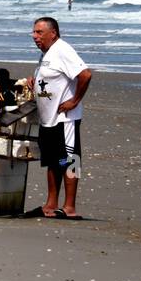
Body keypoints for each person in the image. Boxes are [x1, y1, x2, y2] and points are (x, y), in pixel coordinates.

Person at [24, 17, 92, 219]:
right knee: (52, 161)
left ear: (52, 33)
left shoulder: (63, 49)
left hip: (65, 118)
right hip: (48, 118)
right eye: (34, 32)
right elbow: (50, 79)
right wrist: (34, 83)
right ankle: (51, 204)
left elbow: (85, 75)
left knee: (70, 160)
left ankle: (69, 206)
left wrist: (75, 101)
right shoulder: (46, 54)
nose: (35, 37)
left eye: (39, 32)